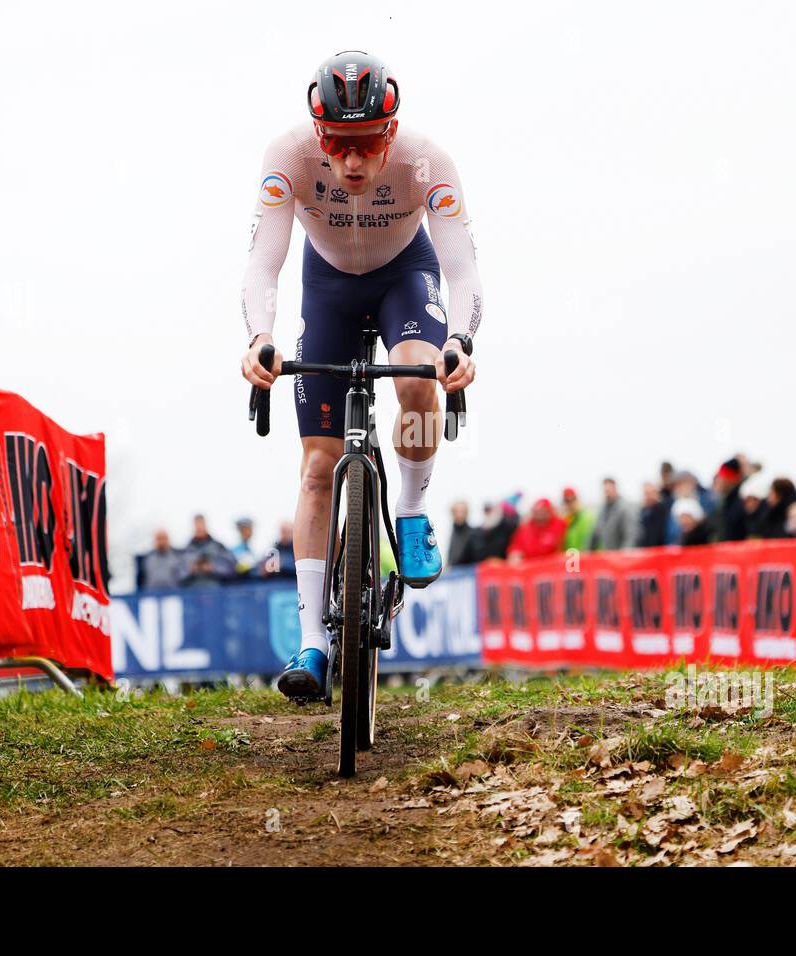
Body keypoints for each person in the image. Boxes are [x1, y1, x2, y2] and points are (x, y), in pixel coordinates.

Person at [239, 52, 482, 700]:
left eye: (367, 144)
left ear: (392, 133)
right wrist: (260, 339)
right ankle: (314, 642)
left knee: (414, 375)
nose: (350, 163)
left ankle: (409, 510)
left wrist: (458, 341)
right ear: (319, 137)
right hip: (328, 292)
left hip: (407, 278)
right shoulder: (287, 155)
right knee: (318, 469)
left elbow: (461, 270)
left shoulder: (428, 161)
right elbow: (264, 265)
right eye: (338, 146)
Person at [182, 514, 237, 581]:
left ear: (205, 524)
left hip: (216, 589)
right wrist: (190, 570)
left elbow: (231, 568)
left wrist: (213, 567)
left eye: (201, 523)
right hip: (192, 589)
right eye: (197, 524)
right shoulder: (186, 550)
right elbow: (177, 574)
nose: (199, 527)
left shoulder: (218, 547)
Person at [588, 477, 638, 551]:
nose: (607, 494)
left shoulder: (624, 509)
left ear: (615, 489)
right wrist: (588, 551)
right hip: (609, 556)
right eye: (605, 491)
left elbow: (631, 535)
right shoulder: (602, 511)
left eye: (609, 491)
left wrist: (624, 555)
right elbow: (595, 534)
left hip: (621, 557)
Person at [560, 487, 595, 553]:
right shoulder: (564, 521)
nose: (570, 504)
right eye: (567, 501)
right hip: (570, 560)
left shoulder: (587, 519)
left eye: (572, 500)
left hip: (585, 559)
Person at [447, 500, 481, 566]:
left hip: (468, 571)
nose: (459, 515)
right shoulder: (453, 533)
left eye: (461, 512)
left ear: (466, 513)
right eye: (456, 512)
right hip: (453, 571)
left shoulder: (473, 533)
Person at [637, 482, 669, 548]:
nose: (648, 497)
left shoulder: (663, 510)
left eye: (651, 493)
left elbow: (659, 534)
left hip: (659, 550)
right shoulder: (643, 511)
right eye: (646, 494)